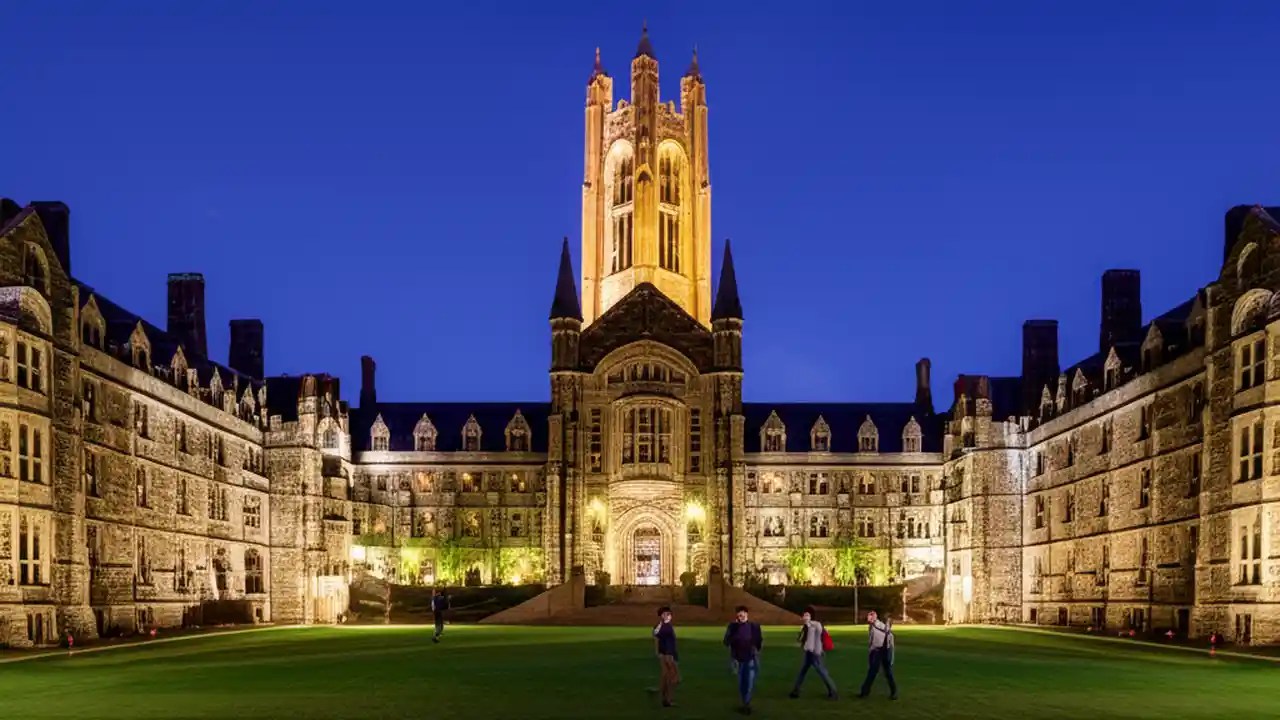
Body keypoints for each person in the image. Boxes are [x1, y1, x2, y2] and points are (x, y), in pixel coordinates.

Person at [790, 606, 837, 700]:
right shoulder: (809, 626)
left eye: (806, 615)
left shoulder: (813, 626)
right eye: (804, 615)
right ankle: (796, 691)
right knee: (803, 672)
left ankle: (833, 692)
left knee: (822, 672)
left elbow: (811, 641)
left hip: (814, 653)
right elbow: (802, 639)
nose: (804, 617)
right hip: (811, 652)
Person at [723, 605, 763, 715]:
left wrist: (755, 650)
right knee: (742, 683)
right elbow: (726, 642)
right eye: (739, 615)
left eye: (742, 615)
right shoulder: (733, 627)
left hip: (751, 658)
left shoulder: (754, 626)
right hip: (738, 659)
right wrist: (735, 630)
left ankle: (747, 704)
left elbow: (759, 641)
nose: (741, 617)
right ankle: (745, 703)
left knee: (749, 682)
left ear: (746, 614)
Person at [858, 610, 898, 700]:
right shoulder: (875, 625)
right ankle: (865, 691)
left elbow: (889, 640)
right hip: (878, 651)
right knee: (875, 672)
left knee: (883, 672)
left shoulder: (880, 627)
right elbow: (872, 639)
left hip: (882, 651)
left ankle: (893, 692)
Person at [653, 606, 680, 708]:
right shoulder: (663, 627)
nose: (668, 616)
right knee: (674, 678)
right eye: (666, 614)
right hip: (667, 654)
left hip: (668, 653)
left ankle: (664, 698)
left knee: (666, 676)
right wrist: (660, 653)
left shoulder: (665, 626)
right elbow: (657, 639)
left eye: (669, 614)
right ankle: (667, 699)